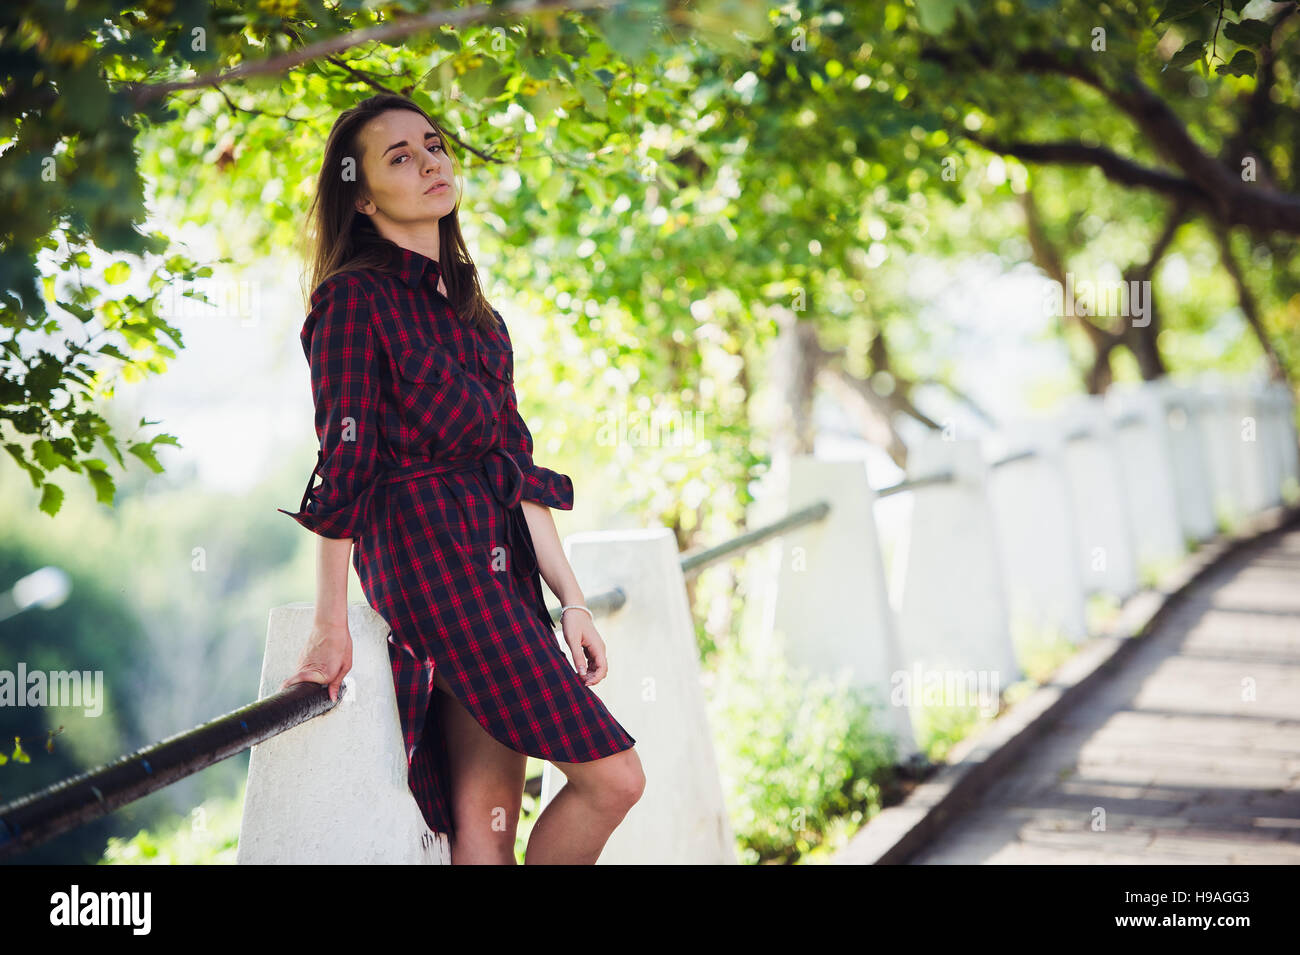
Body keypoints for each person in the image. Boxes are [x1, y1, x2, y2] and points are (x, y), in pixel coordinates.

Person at [276, 93, 645, 864]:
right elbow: (345, 461)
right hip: (430, 560)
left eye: (434, 145)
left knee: (486, 823)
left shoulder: (477, 314)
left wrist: (570, 599)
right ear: (363, 195)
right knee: (614, 779)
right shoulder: (351, 299)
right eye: (400, 156)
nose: (430, 162)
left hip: (498, 556)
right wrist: (330, 619)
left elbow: (515, 464)